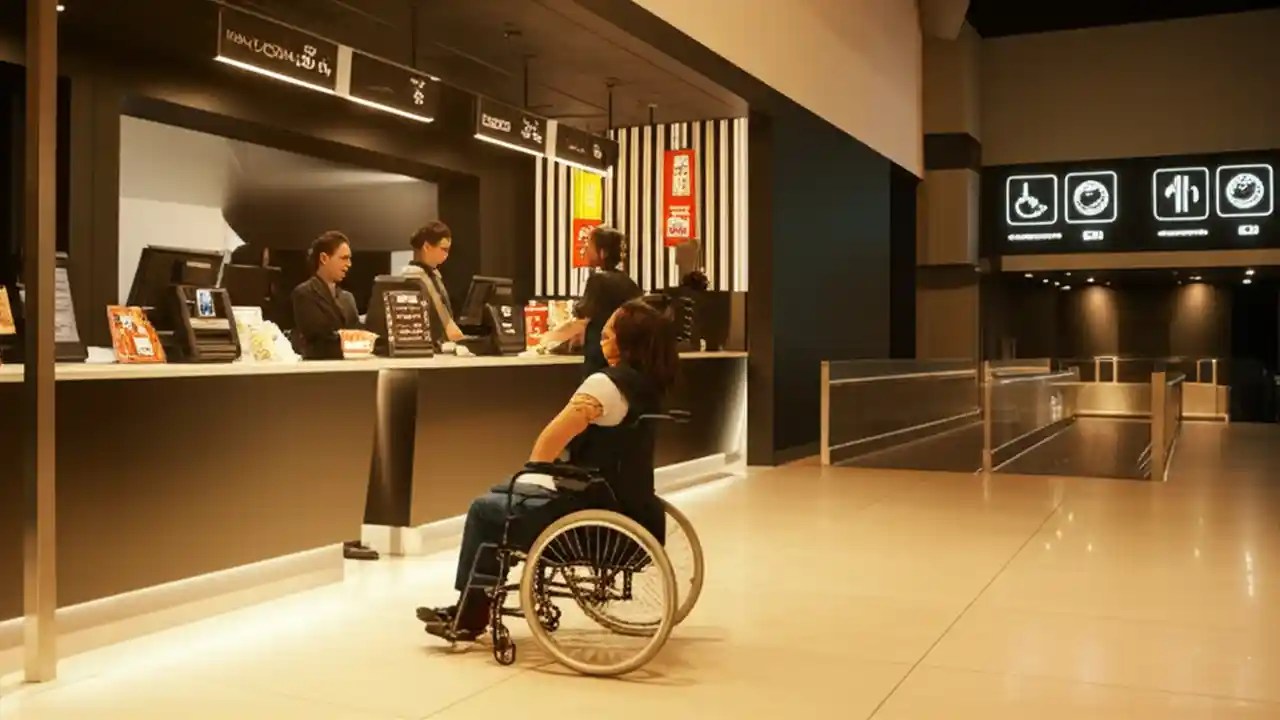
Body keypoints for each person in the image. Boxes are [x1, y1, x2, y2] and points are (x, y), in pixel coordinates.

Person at [417, 298, 679, 641]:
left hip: (589, 516)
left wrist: (535, 473)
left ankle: (471, 613)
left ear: (620, 341)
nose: (602, 334)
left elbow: (548, 443)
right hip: (633, 509)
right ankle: (473, 606)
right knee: (507, 501)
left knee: (487, 510)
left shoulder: (604, 385)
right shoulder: (649, 385)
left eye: (608, 329)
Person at [290, 231, 360, 360]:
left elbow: (357, 333)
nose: (349, 264)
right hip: (319, 370)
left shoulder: (348, 298)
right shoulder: (304, 293)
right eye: (344, 258)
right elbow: (318, 338)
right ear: (324, 258)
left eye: (349, 259)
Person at [401, 221, 464, 346]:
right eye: (443, 249)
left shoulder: (433, 275)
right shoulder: (413, 276)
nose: (446, 255)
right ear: (427, 247)